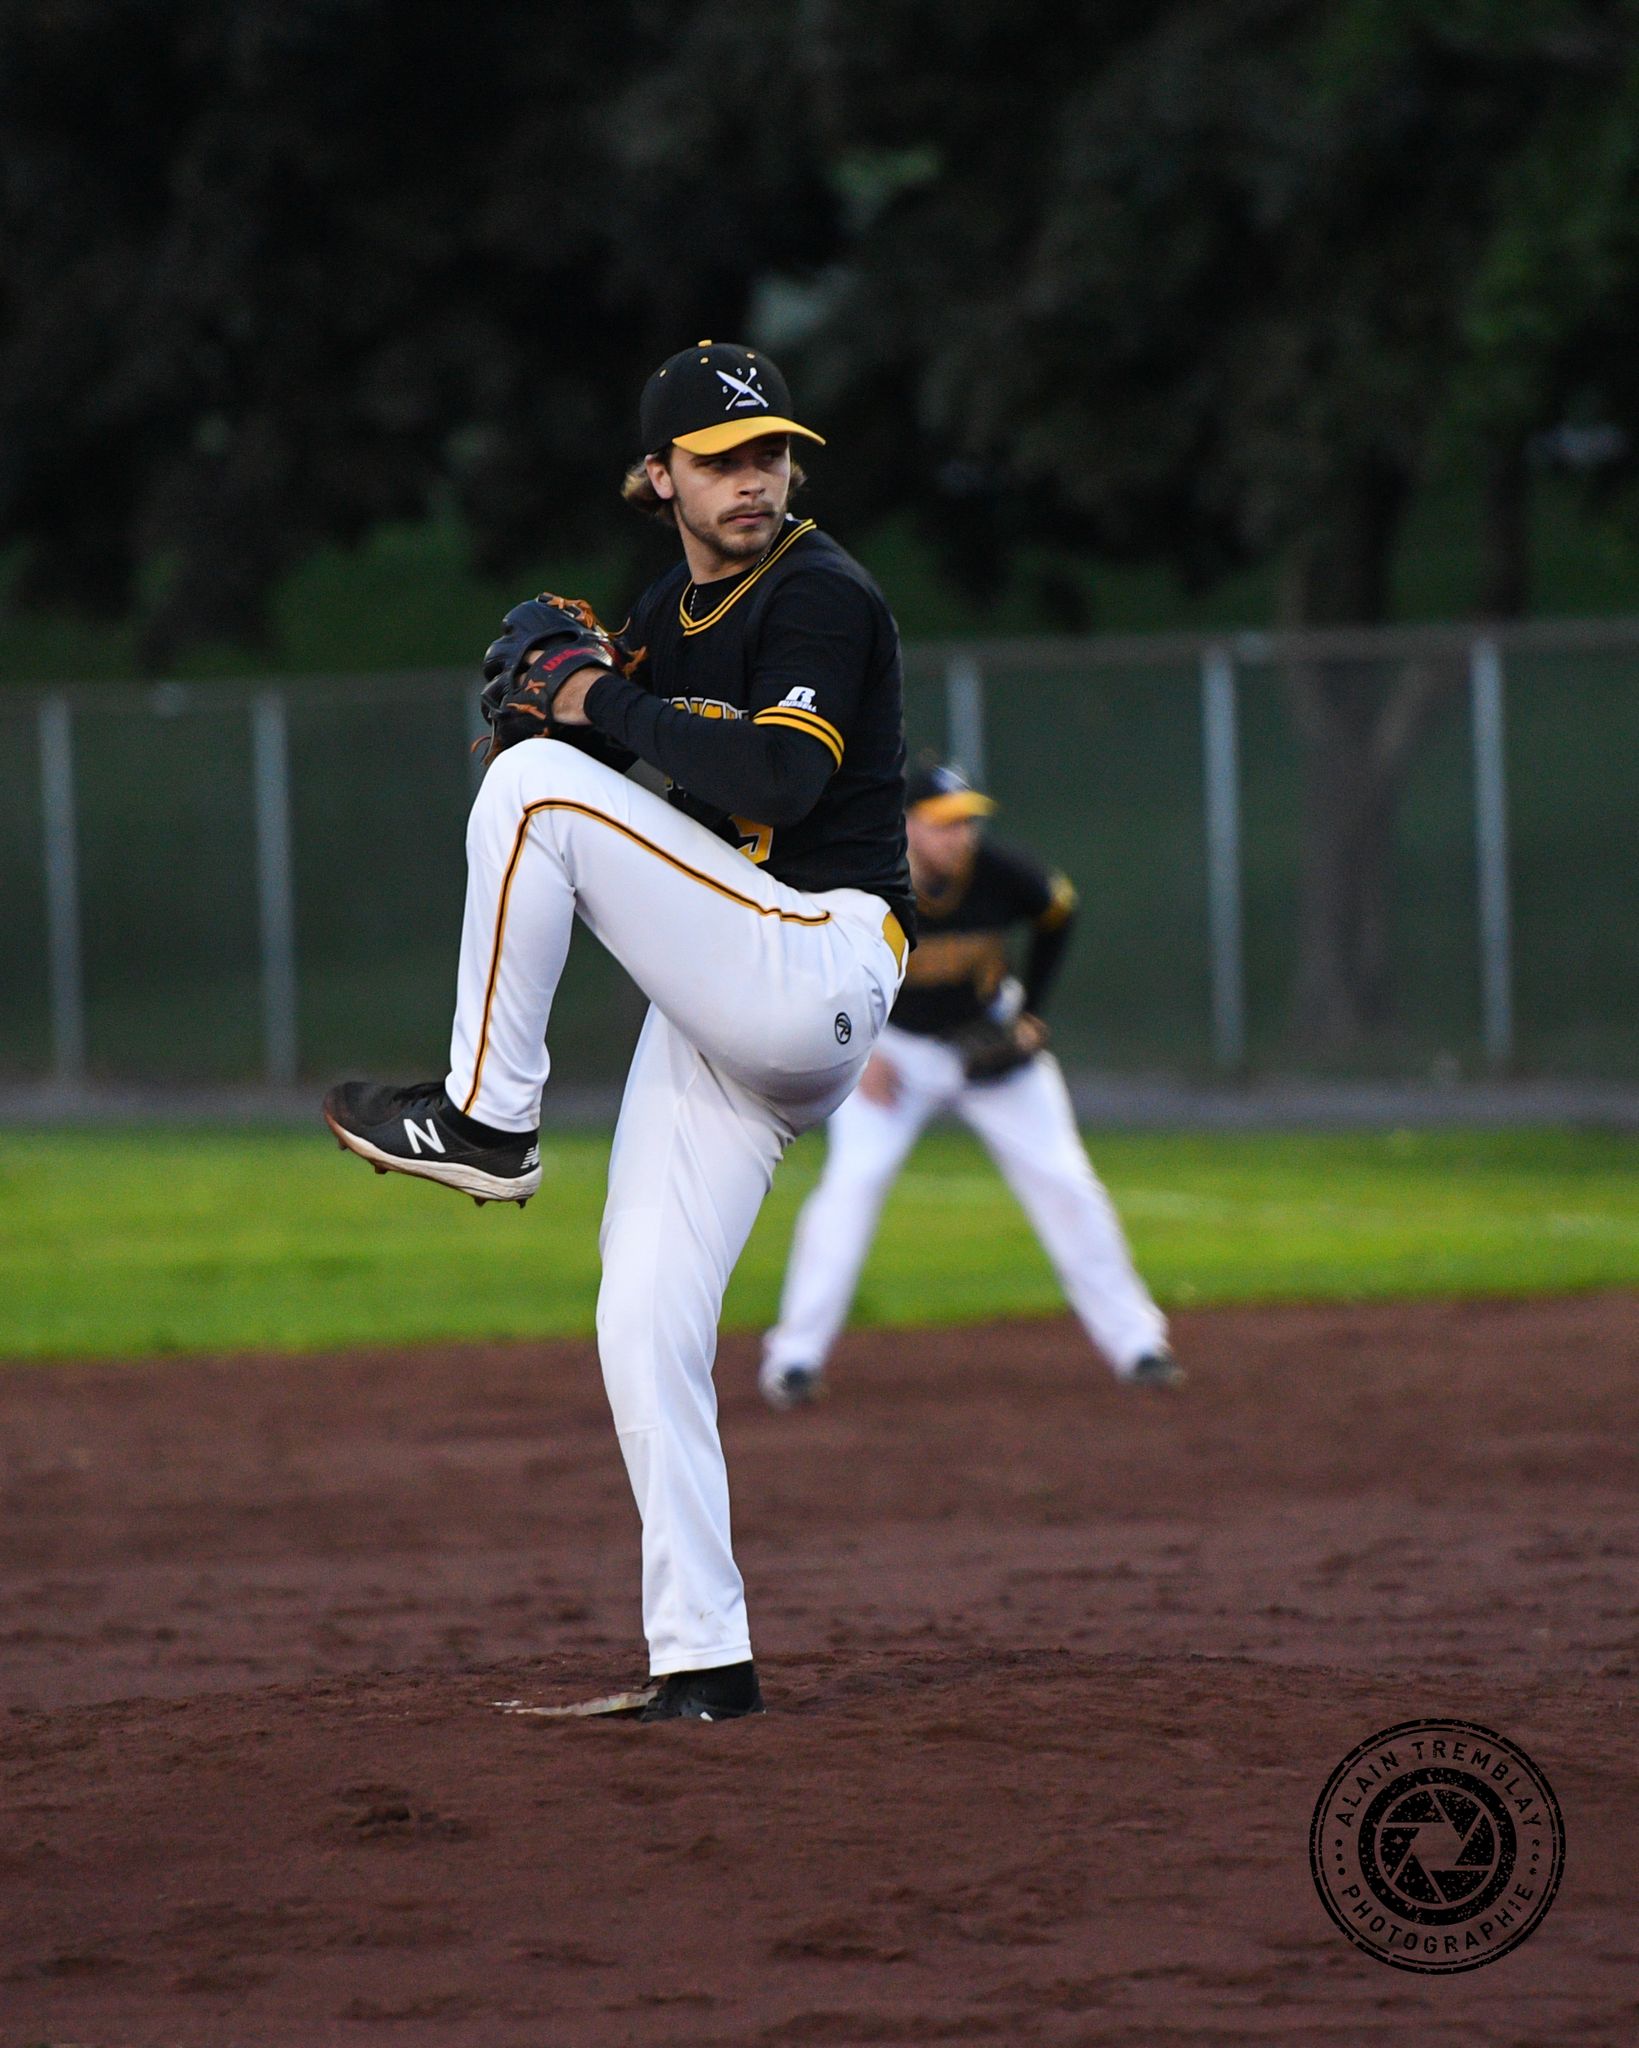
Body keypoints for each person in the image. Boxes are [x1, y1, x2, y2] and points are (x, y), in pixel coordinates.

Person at [324, 342, 914, 1721]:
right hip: (720, 1004)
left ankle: (486, 1117)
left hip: (818, 959)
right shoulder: (661, 613)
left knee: (539, 784)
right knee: (642, 1317)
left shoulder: (821, 594)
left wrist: (578, 712)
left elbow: (768, 770)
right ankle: (701, 1658)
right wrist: (540, 713)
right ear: (657, 478)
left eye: (768, 451)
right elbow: (582, 764)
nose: (752, 478)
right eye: (717, 459)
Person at [758, 763, 1177, 1412]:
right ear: (906, 826)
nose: (961, 835)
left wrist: (1033, 1011)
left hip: (987, 1043)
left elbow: (1058, 911)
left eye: (967, 821)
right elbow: (811, 958)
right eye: (944, 823)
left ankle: (1137, 1344)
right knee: (852, 1185)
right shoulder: (863, 877)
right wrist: (855, 1050)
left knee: (1064, 1180)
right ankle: (793, 1360)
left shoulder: (1000, 873)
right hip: (890, 1052)